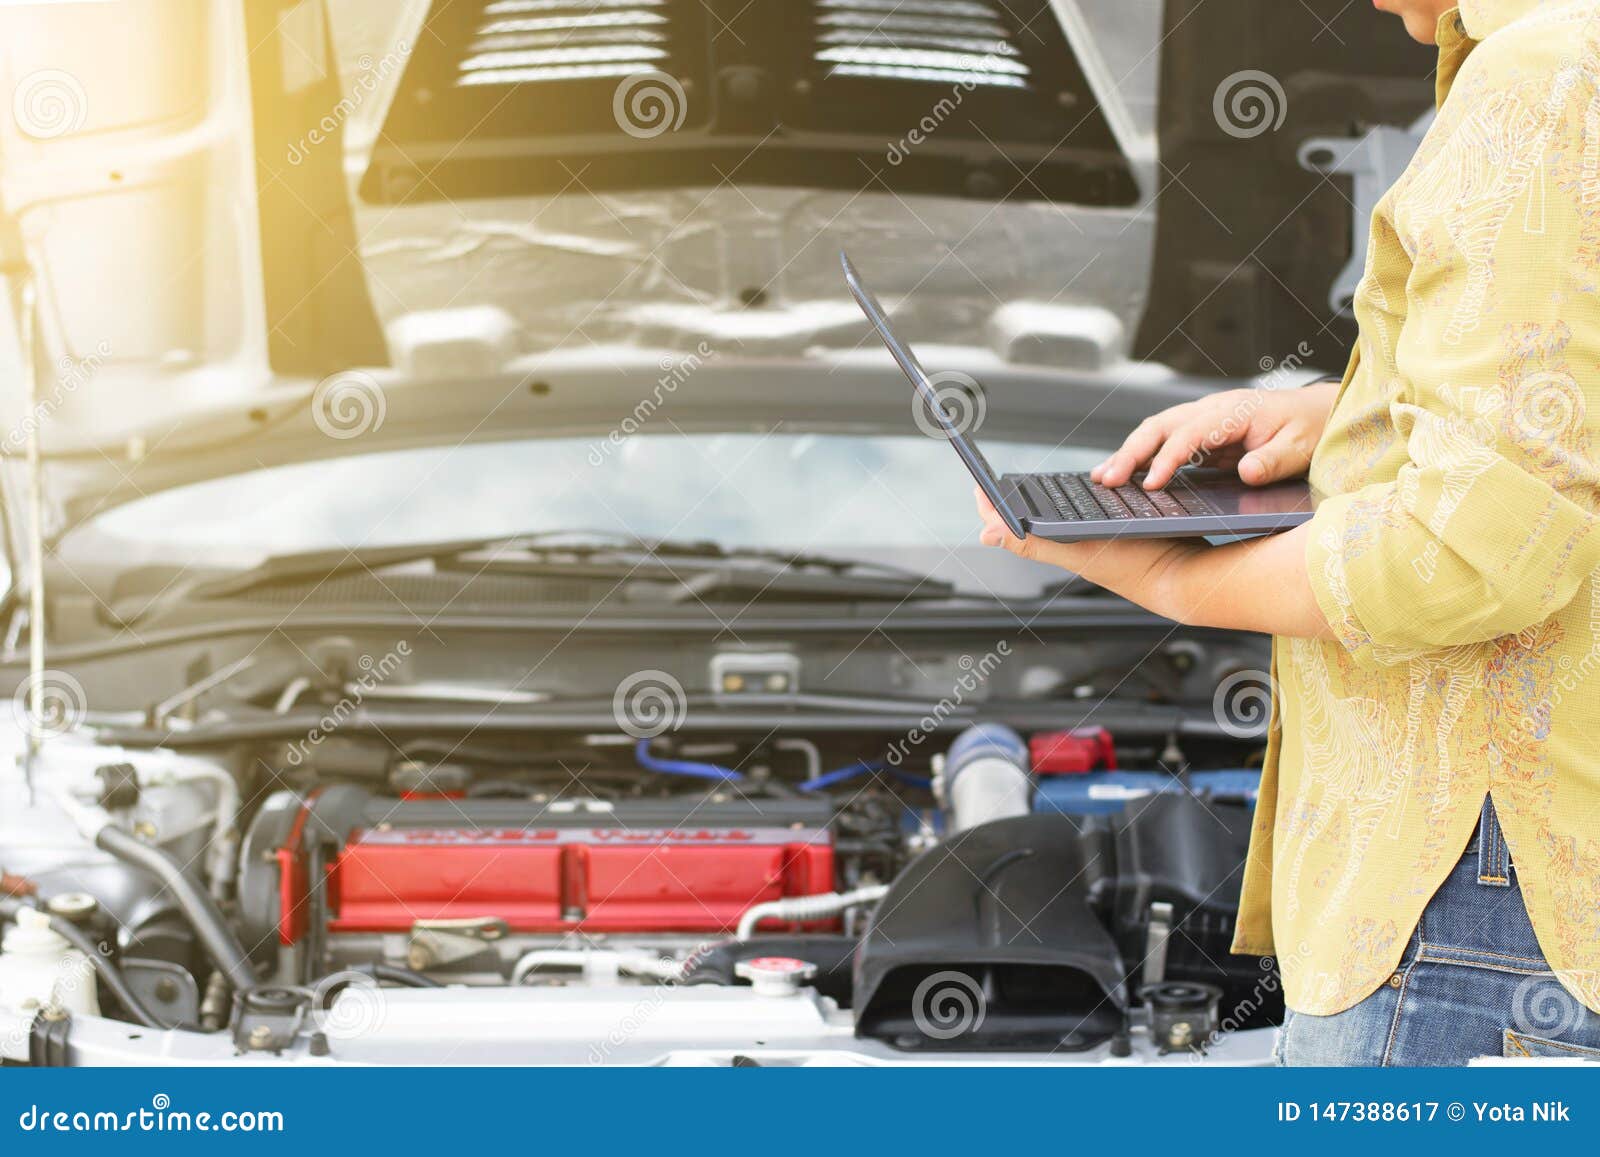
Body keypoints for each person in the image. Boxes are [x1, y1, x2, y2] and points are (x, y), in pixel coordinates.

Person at [977, 0, 1600, 1065]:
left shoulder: (1541, 79)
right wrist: (1347, 414)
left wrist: (1173, 578)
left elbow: (1467, 557)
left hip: (1472, 900)